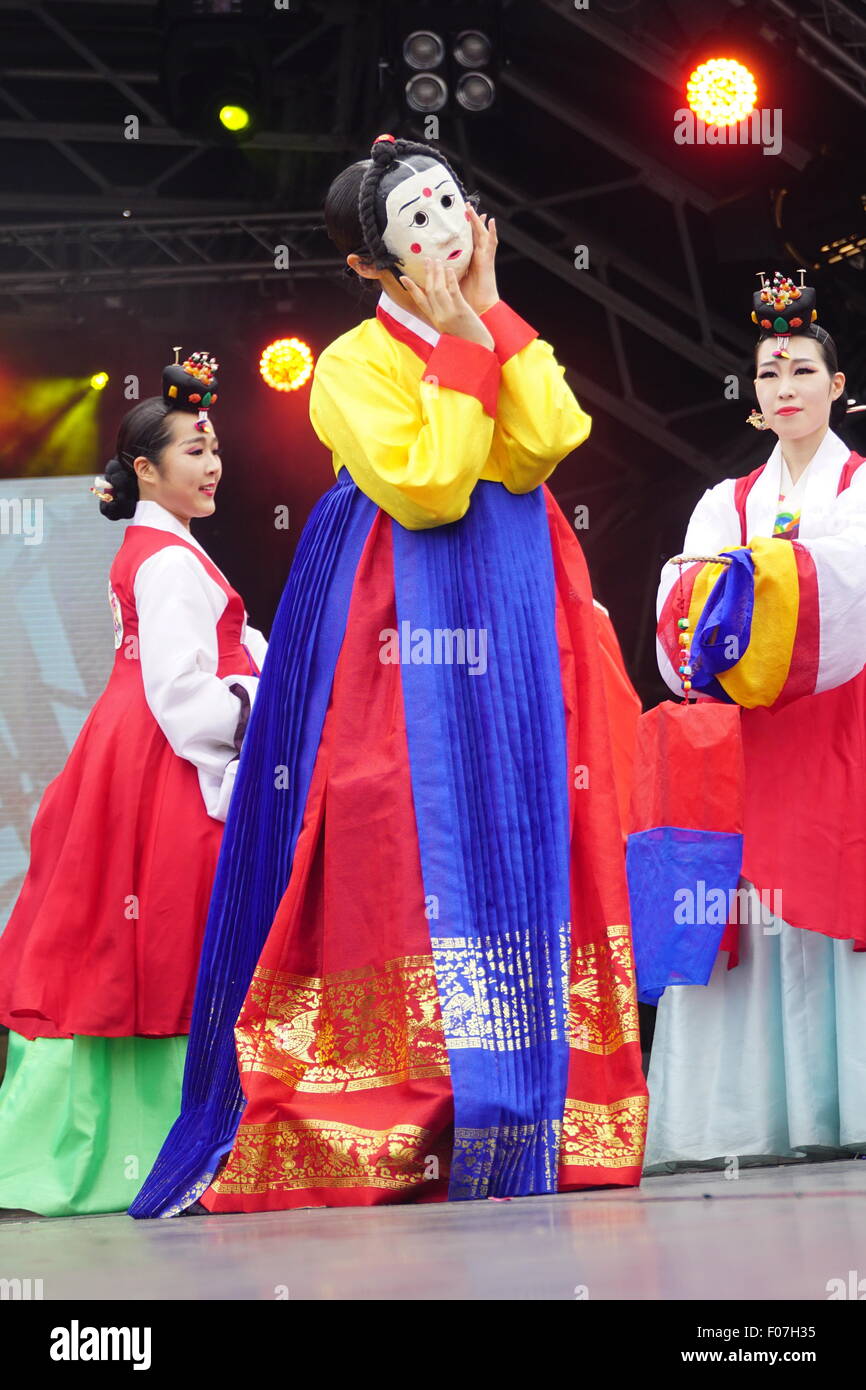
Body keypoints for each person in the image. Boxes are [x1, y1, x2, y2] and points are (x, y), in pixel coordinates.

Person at [131, 136, 647, 1218]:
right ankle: (396, 1104)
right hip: (395, 612)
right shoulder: (347, 365)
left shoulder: (485, 323)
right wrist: (465, 346)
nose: (444, 231)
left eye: (451, 204)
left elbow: (548, 438)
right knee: (393, 823)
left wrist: (489, 314)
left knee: (525, 815)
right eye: (415, 221)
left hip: (510, 599)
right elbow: (430, 487)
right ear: (370, 264)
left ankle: (533, 1102)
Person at [0, 350, 267, 1215]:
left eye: (216, 447)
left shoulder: (159, 549)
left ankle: (135, 1139)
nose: (213, 462)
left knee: (136, 936)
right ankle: (177, 1138)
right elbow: (183, 692)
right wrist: (265, 711)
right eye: (194, 449)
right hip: (162, 757)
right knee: (173, 932)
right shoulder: (166, 560)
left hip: (129, 751)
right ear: (146, 468)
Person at [646, 271, 866, 1170]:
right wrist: (729, 597)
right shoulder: (721, 500)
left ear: (837, 385)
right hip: (750, 746)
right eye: (770, 373)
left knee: (835, 889)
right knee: (751, 910)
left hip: (842, 720)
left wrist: (763, 584)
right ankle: (744, 1122)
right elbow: (680, 597)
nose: (785, 387)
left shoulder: (861, 489)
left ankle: (842, 1105)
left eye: (803, 370)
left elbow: (850, 583)